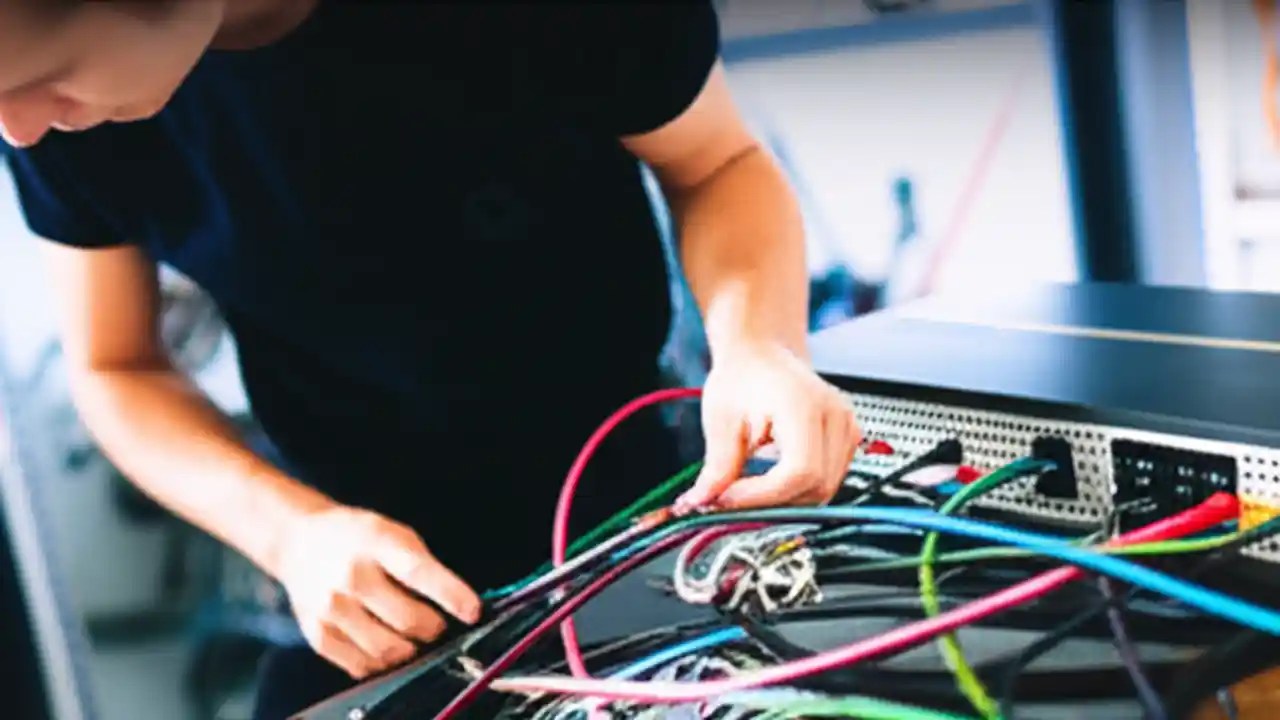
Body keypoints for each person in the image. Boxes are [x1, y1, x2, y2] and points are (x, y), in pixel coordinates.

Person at [0, 1, 862, 717]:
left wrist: (759, 347)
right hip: (361, 582)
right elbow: (116, 368)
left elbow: (719, 165)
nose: (15, 127)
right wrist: (290, 535)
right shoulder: (55, 120)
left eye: (38, 77)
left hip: (630, 514)